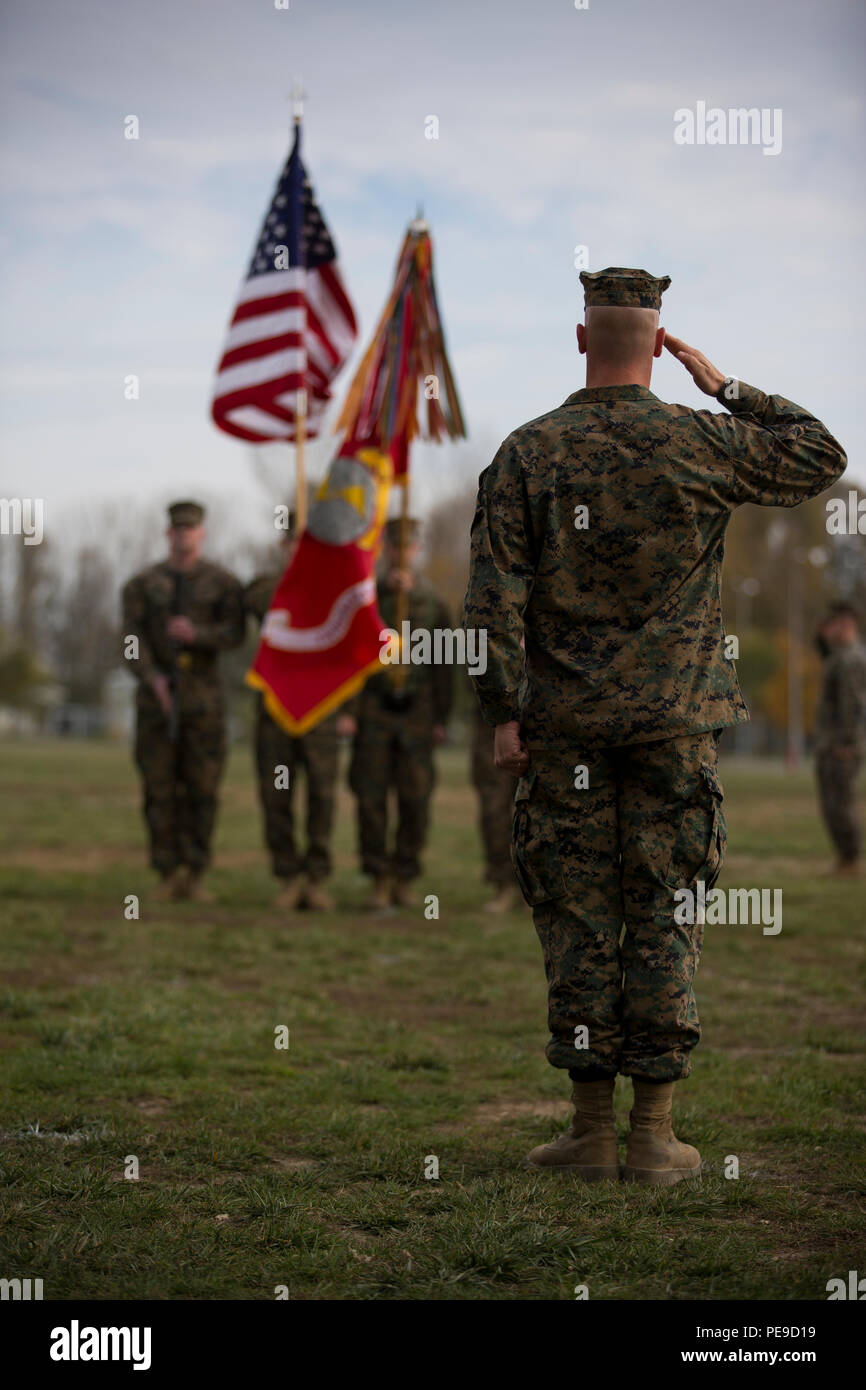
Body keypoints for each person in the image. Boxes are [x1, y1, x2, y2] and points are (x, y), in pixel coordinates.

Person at [463, 266, 847, 1184]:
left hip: (563, 730)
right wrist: (724, 386)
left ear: (582, 336)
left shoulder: (529, 452)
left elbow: (489, 604)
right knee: (668, 911)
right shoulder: (702, 442)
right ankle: (655, 1137)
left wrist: (502, 713)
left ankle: (591, 1134)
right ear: (659, 344)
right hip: (676, 727)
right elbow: (819, 452)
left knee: (579, 916)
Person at [122, 500, 245, 901]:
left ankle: (195, 873)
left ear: (202, 534)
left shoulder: (224, 584)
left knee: (202, 789)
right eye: (177, 529)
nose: (183, 536)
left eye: (190, 529)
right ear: (167, 534)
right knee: (158, 788)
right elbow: (128, 641)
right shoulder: (142, 584)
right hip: (157, 703)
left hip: (204, 703)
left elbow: (235, 634)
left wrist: (198, 635)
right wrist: (150, 677)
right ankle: (165, 871)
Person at [343, 518, 453, 910]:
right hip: (373, 708)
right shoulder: (365, 597)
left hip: (418, 710)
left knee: (415, 796)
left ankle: (405, 874)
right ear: (383, 550)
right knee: (370, 796)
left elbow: (444, 664)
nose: (400, 553)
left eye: (407, 547)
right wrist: (348, 712)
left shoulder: (432, 601)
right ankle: (377, 876)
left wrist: (441, 717)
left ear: (416, 551)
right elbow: (350, 656)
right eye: (393, 547)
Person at [245, 518, 340, 910]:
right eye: (292, 544)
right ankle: (287, 876)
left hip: (320, 711)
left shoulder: (336, 589)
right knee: (276, 794)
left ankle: (315, 879)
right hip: (275, 711)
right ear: (282, 547)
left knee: (321, 794)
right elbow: (260, 607)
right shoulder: (264, 589)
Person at [814, 602, 866, 876]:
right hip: (831, 744)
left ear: (846, 624)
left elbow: (853, 705)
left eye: (833, 623)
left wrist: (846, 742)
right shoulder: (838, 657)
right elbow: (821, 647)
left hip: (842, 746)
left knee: (840, 804)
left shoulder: (850, 660)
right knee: (831, 803)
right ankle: (846, 859)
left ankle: (851, 859)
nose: (827, 629)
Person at [470, 686, 520, 913]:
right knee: (494, 810)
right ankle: (503, 885)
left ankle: (539, 888)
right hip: (491, 722)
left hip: (542, 717)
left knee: (540, 810)